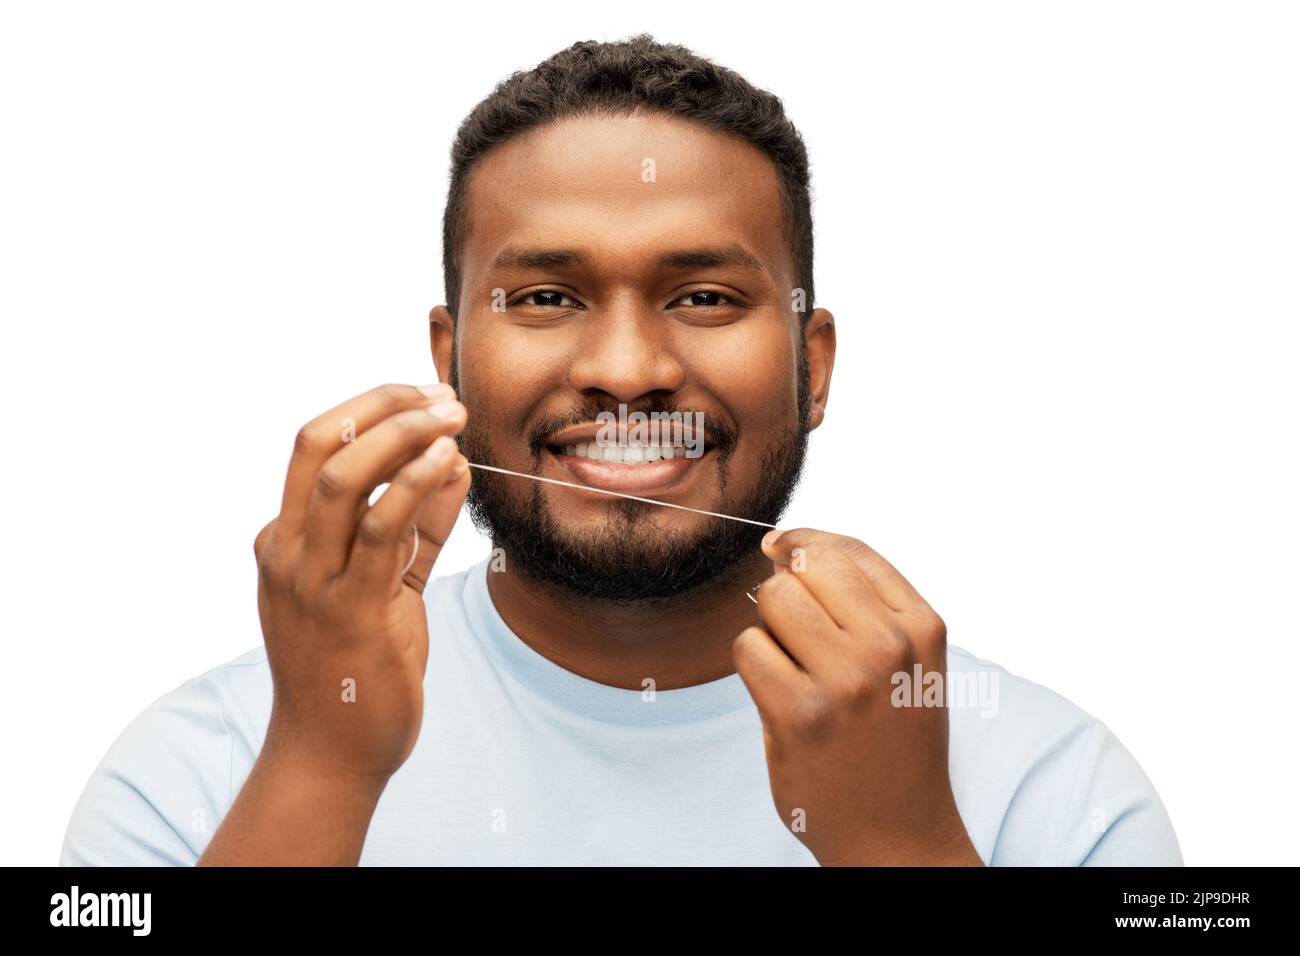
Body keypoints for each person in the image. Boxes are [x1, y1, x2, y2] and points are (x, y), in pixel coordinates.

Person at [61, 34, 1181, 866]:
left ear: (814, 362)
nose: (629, 364)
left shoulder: (1051, 789)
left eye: (703, 294)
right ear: (449, 360)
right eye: (546, 295)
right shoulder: (203, 768)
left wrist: (900, 842)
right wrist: (321, 762)